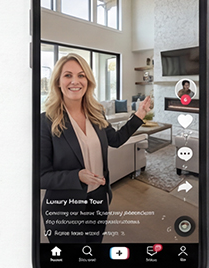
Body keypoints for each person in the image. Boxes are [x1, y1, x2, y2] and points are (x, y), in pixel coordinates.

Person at [38, 54, 152, 250]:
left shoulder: (96, 112)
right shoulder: (45, 121)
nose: (75, 81)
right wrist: (77, 176)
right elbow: (40, 176)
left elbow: (115, 140)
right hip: (64, 210)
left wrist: (140, 114)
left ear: (88, 81)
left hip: (98, 202)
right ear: (57, 82)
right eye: (68, 75)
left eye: (81, 75)